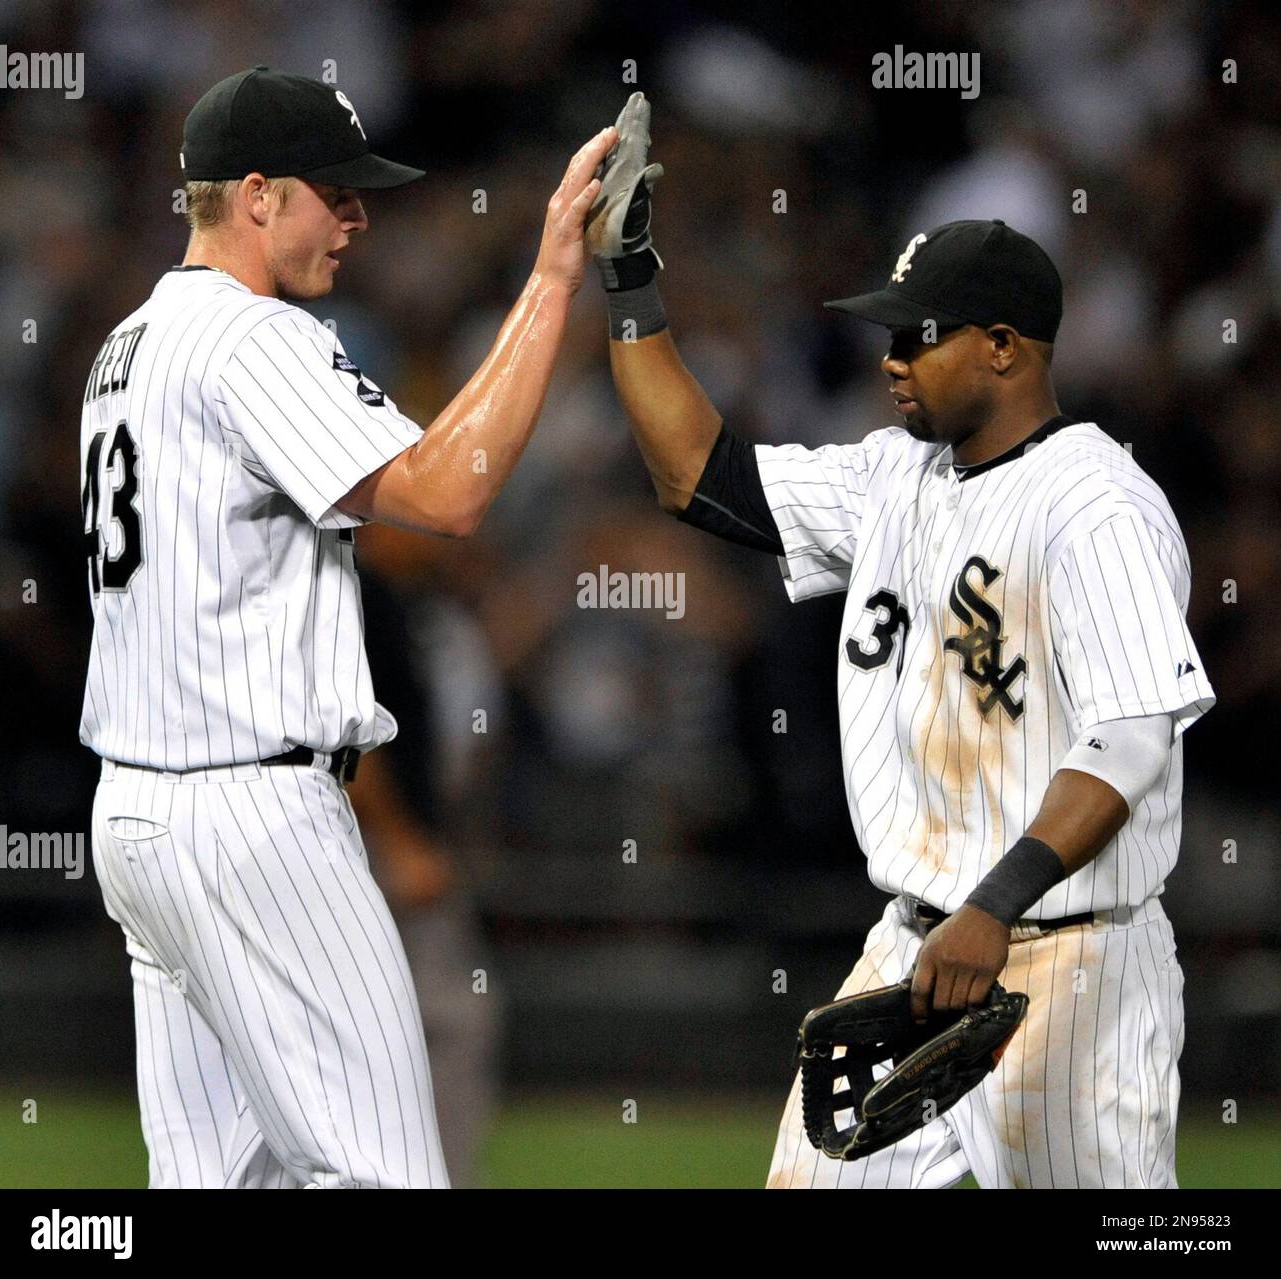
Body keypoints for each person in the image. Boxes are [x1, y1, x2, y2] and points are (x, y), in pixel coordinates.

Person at [589, 94, 1215, 1188]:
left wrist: (992, 904)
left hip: (1070, 956)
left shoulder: (1096, 506)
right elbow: (700, 475)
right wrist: (629, 274)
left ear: (1006, 347)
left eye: (918, 335)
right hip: (918, 946)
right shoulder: (891, 473)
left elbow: (1129, 739)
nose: (891, 357)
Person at [79, 66, 615, 1188]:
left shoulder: (126, 346)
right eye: (338, 192)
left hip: (137, 811)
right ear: (259, 195)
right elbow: (448, 491)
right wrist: (555, 281)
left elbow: (409, 480)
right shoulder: (252, 338)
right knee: (383, 1177)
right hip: (253, 815)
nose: (360, 217)